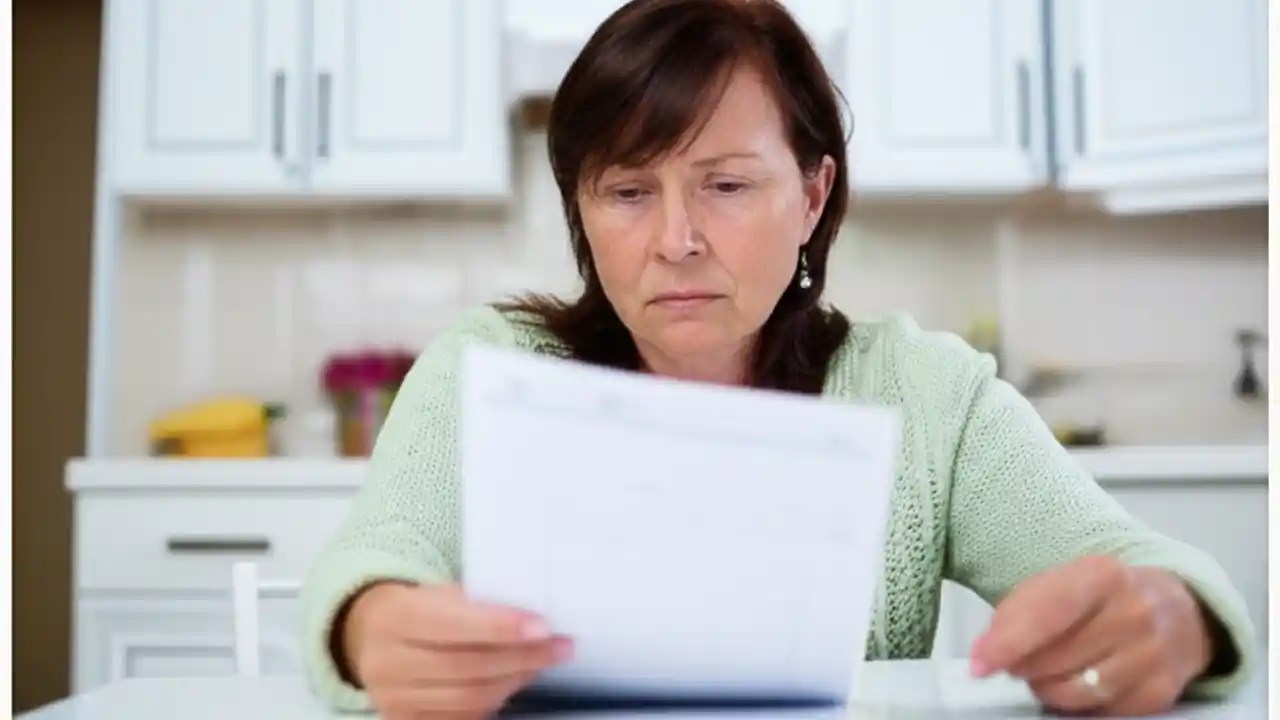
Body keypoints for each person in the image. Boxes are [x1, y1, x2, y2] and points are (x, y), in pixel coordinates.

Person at [300, 1, 1256, 717]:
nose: (676, 238)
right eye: (628, 191)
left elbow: (1144, 568)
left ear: (811, 193)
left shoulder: (926, 397)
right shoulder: (487, 370)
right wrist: (374, 626)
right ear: (581, 211)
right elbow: (373, 563)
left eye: (724, 184)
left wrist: (1172, 619)